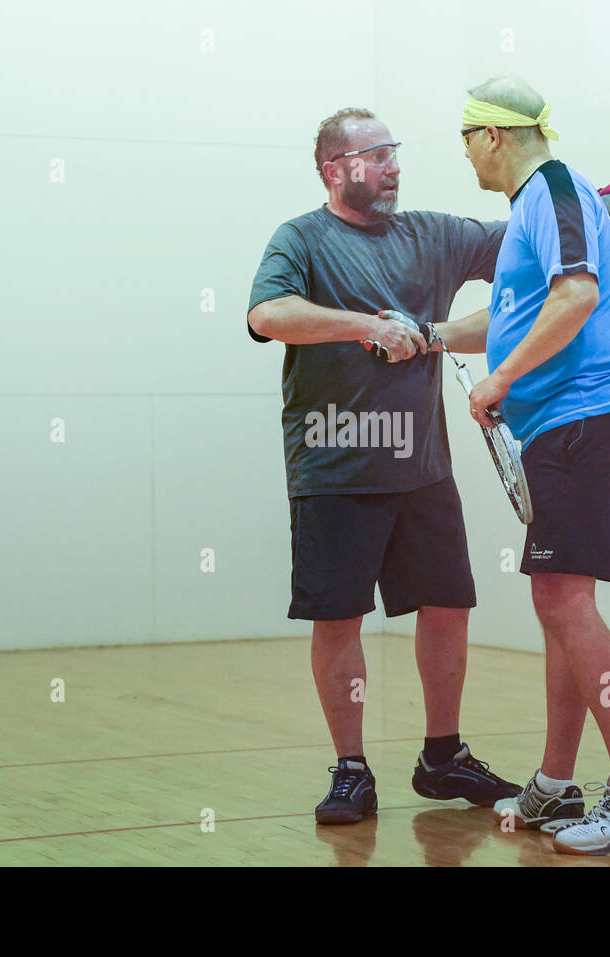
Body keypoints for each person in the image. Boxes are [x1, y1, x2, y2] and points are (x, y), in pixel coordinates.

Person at [246, 107, 523, 825]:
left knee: (449, 607)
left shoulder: (433, 234)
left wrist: (592, 202)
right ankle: (351, 768)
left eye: (396, 152)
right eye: (378, 155)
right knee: (338, 619)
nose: (395, 166)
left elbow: (528, 244)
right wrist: (368, 324)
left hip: (422, 469)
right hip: (332, 471)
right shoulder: (300, 239)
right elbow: (269, 314)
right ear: (335, 169)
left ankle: (442, 757)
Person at [430, 76, 610, 855]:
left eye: (465, 137)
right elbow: (508, 319)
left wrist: (501, 381)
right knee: (555, 600)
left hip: (589, 419)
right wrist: (430, 333)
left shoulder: (554, 189)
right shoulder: (537, 209)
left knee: (567, 602)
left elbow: (574, 296)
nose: (465, 153)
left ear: (493, 136)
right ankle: (556, 780)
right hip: (564, 430)